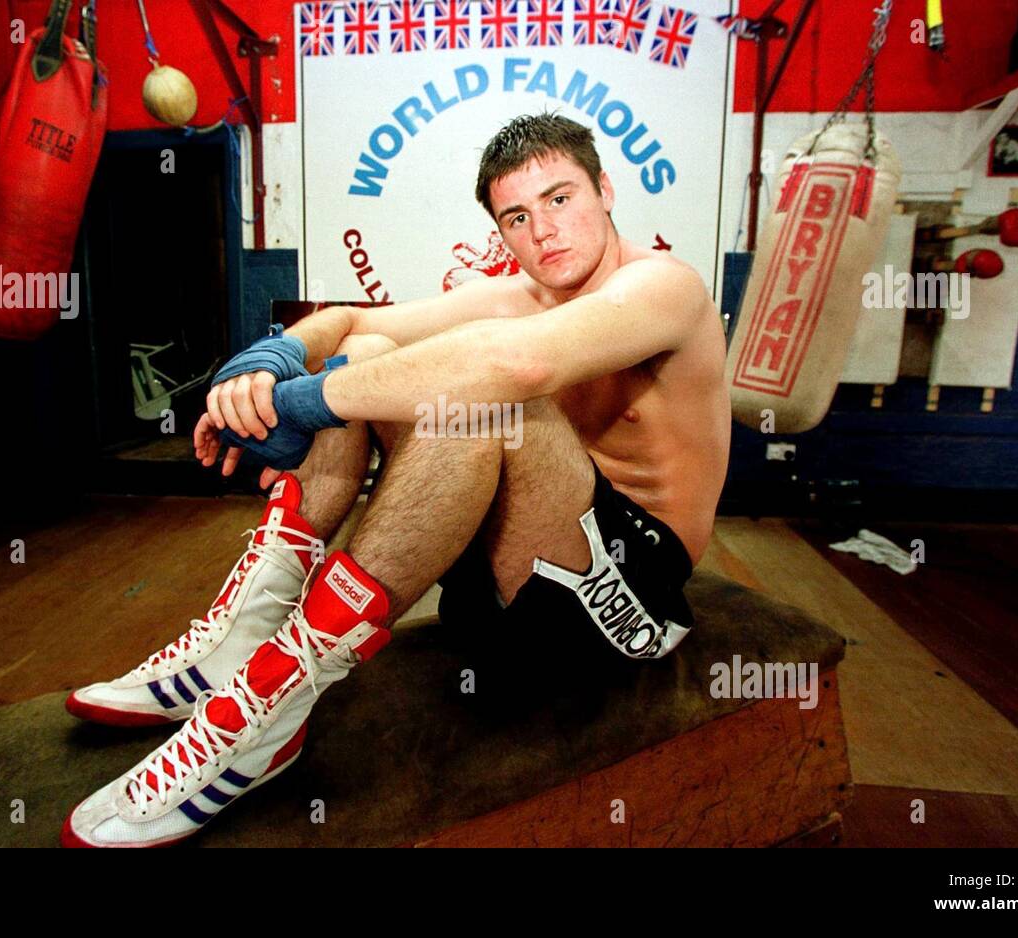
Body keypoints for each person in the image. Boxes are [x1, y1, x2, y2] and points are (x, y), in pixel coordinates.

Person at [61, 112, 730, 848]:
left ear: (604, 190)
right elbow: (349, 321)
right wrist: (266, 362)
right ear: (500, 230)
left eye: (561, 198)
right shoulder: (519, 294)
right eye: (517, 215)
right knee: (379, 350)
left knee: (486, 399)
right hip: (504, 594)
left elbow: (521, 369)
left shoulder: (668, 287)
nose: (543, 230)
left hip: (620, 605)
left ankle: (274, 697)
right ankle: (253, 619)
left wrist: (298, 402)